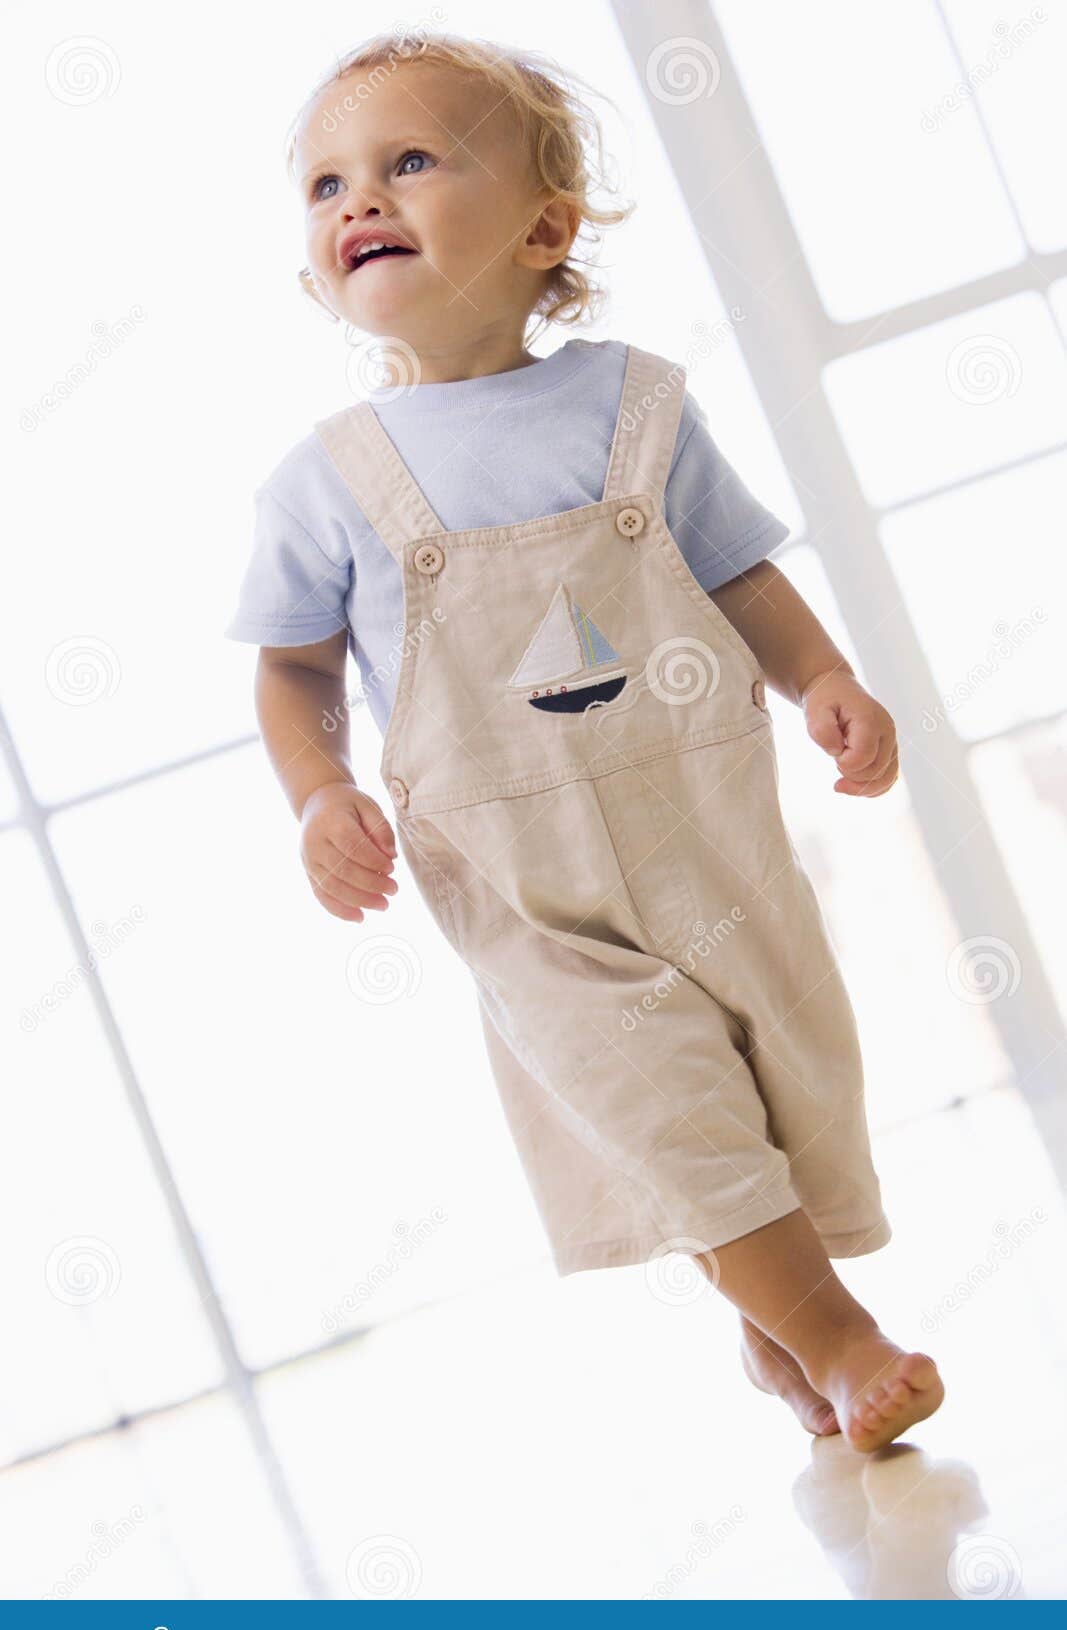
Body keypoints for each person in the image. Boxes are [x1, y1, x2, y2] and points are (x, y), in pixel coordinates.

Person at [225, 31, 944, 1454]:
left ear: (546, 227)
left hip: (710, 843)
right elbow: (294, 669)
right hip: (526, 893)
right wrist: (317, 793)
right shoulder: (329, 481)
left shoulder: (637, 405)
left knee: (780, 1083)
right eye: (325, 182)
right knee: (662, 1102)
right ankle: (842, 1331)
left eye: (411, 161)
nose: (358, 197)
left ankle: (782, 1339)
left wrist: (822, 679)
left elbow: (735, 573)